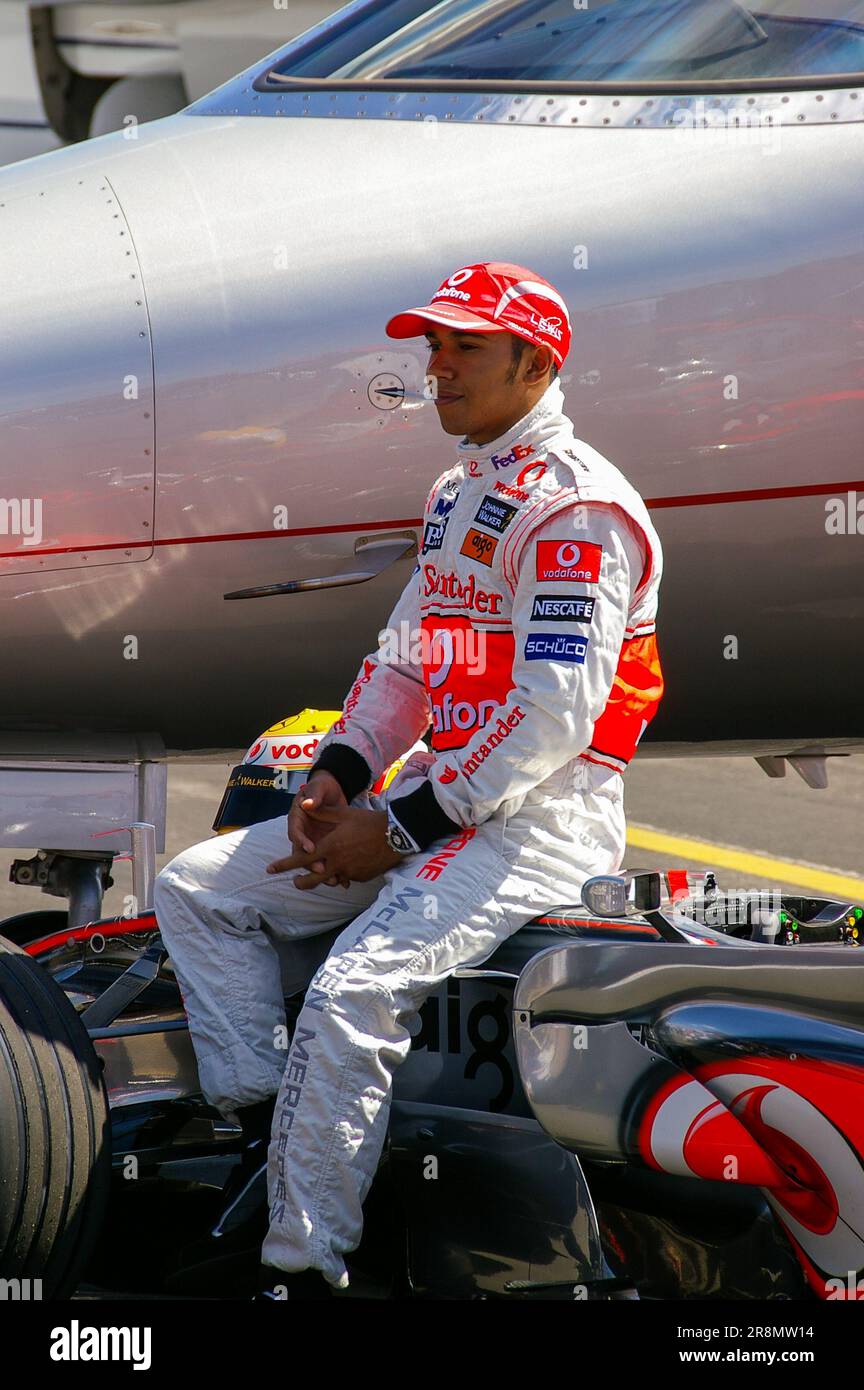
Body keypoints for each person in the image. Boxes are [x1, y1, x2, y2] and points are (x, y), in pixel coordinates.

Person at [153, 260, 665, 1299]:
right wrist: (341, 773)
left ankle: (302, 1266)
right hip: (437, 797)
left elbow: (554, 717)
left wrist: (398, 828)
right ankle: (269, 1130)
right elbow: (404, 659)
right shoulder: (458, 489)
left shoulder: (576, 511)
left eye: (462, 347)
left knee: (352, 988)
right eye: (430, 346)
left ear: (535, 360)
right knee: (195, 887)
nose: (434, 368)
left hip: (541, 819)